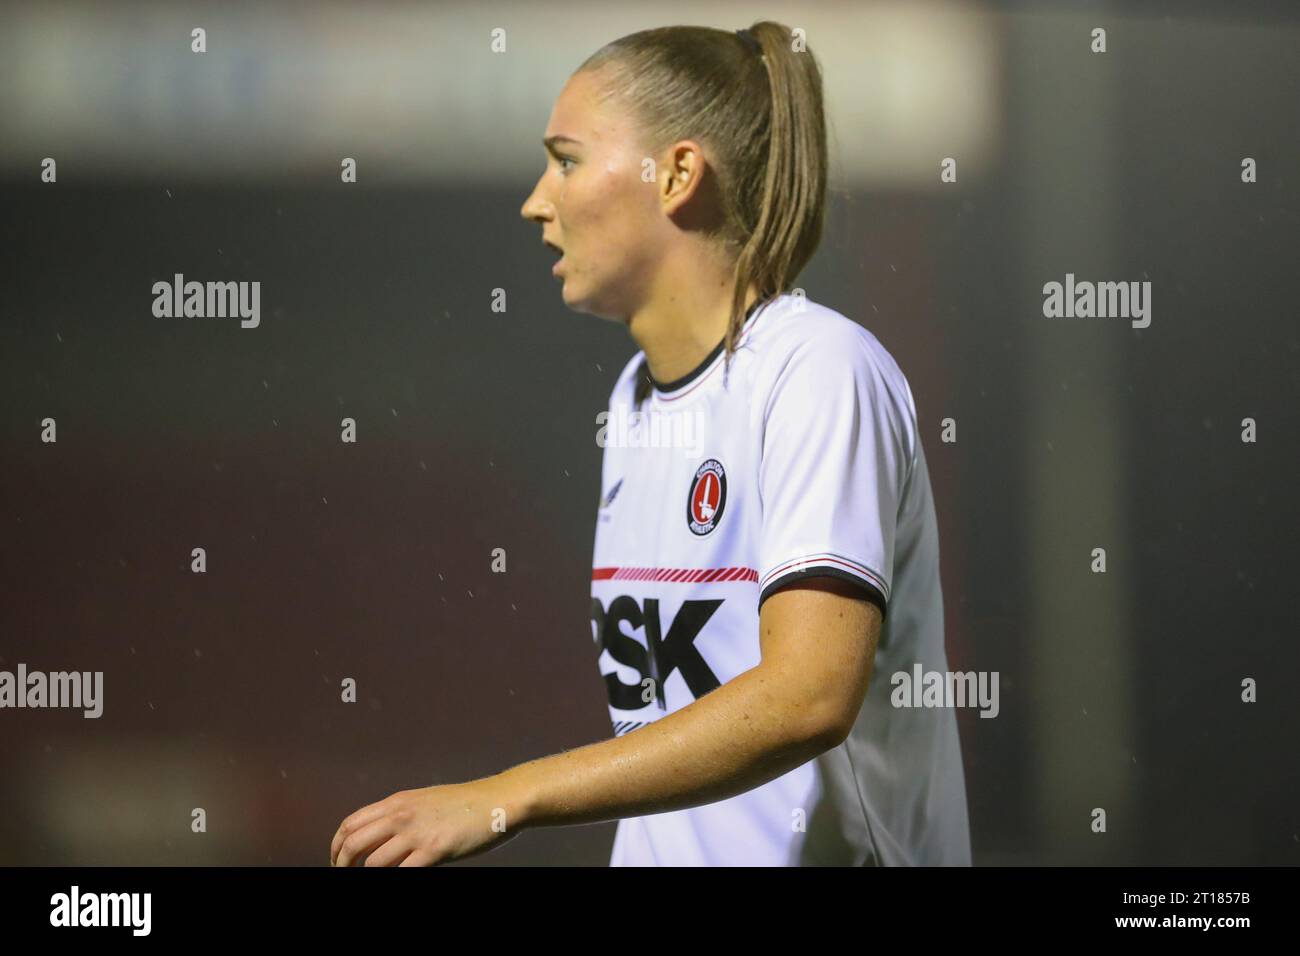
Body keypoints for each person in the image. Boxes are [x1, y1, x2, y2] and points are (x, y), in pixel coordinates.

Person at [330, 20, 970, 867]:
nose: (536, 200)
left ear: (675, 175)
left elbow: (810, 696)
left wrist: (507, 796)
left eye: (565, 161)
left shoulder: (818, 370)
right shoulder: (634, 400)